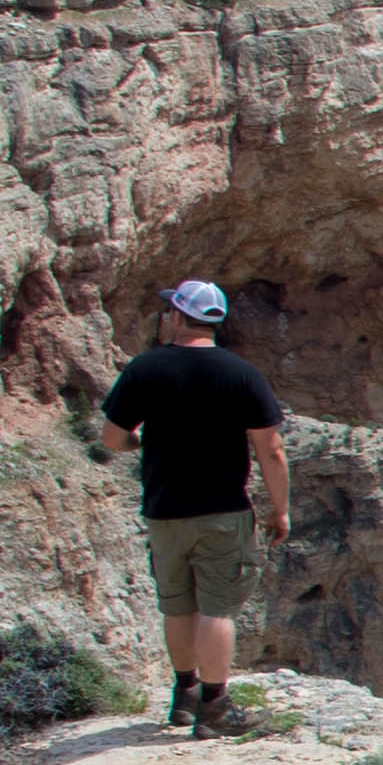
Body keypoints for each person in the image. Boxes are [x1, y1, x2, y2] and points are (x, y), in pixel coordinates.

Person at [95, 281, 288, 737]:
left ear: (179, 317)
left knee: (177, 606)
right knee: (217, 610)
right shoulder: (242, 374)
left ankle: (183, 698)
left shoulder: (145, 369)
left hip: (164, 510)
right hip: (223, 510)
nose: (164, 318)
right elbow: (271, 449)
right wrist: (280, 510)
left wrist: (140, 441)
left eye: (168, 311)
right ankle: (216, 709)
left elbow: (111, 437)